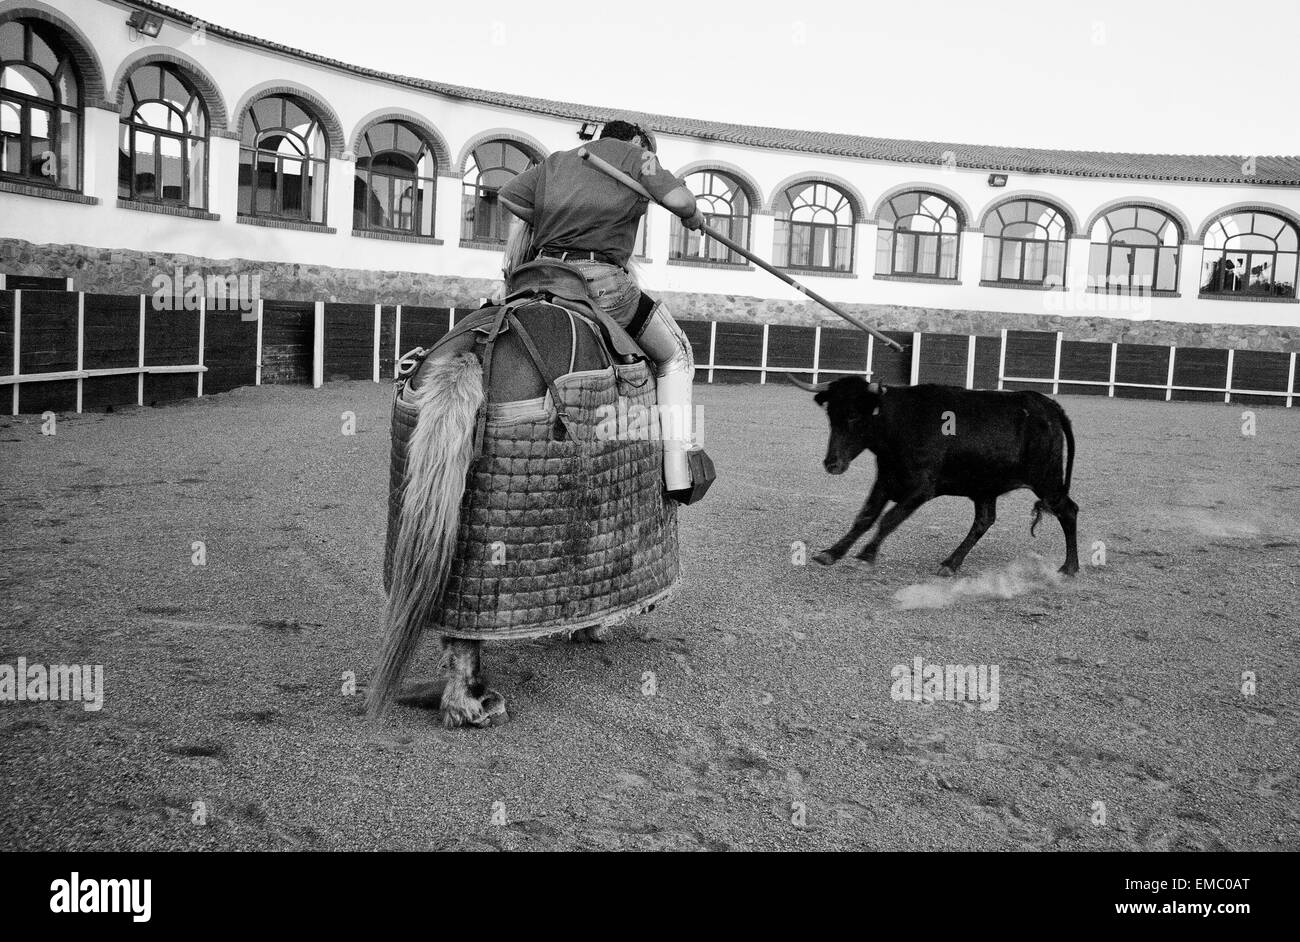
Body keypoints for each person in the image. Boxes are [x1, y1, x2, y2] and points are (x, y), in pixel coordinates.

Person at [497, 120, 711, 500]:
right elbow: (680, 200)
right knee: (677, 355)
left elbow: (509, 198)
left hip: (539, 275)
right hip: (600, 283)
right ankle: (679, 475)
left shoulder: (557, 161)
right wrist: (692, 213)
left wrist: (559, 218)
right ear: (636, 142)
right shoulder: (638, 156)